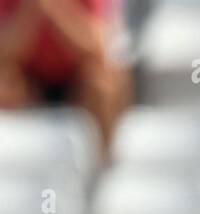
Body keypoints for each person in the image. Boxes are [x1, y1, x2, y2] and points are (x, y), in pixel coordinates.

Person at [0, 0, 131, 152]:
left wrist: (55, 8)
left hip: (77, 83)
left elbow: (97, 48)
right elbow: (4, 53)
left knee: (103, 84)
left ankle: (102, 163)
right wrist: (31, 11)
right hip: (29, 83)